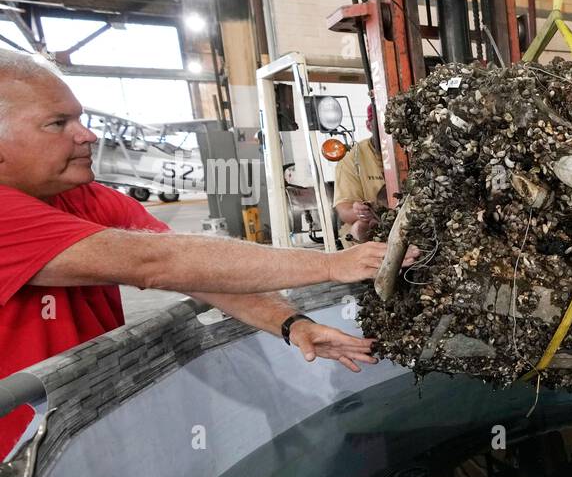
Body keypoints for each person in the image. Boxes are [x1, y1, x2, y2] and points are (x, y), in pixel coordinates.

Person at [0, 49, 417, 454]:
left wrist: (292, 323)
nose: (87, 134)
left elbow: (197, 270)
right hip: (16, 461)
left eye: (80, 118)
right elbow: (156, 263)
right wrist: (331, 264)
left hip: (73, 436)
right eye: (57, 123)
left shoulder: (86, 198)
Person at [333, 102, 387, 243]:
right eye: (381, 126)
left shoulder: (412, 150)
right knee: (360, 227)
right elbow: (344, 210)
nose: (387, 133)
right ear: (369, 126)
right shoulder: (352, 158)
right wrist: (359, 212)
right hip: (373, 225)